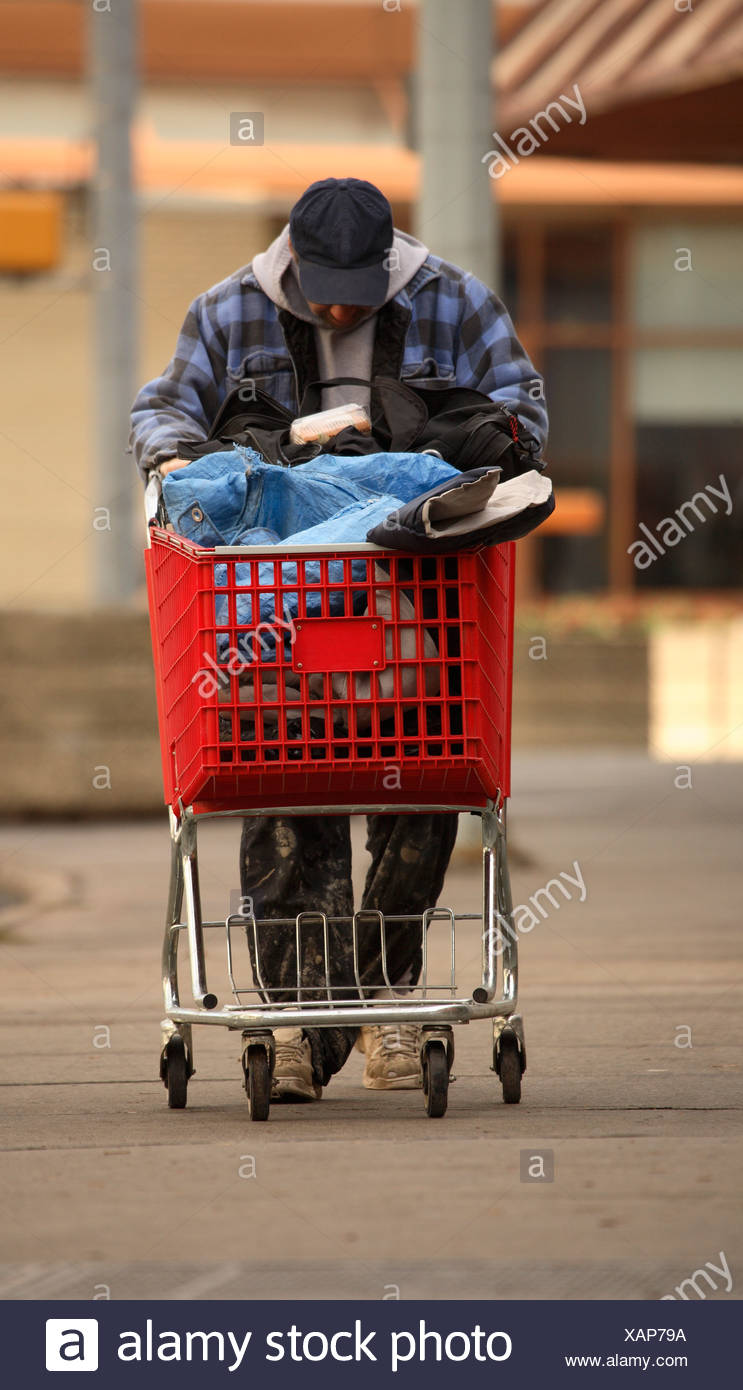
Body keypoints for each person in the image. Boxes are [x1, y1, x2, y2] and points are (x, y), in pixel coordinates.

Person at [130, 176, 547, 1102]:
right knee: (283, 786)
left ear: (388, 269)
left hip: (417, 600)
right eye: (321, 287)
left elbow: (526, 419)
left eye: (355, 290)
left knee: (427, 786)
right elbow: (159, 415)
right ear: (293, 262)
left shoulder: (454, 301)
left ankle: (383, 1000)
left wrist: (404, 435)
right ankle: (295, 1029)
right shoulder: (228, 311)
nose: (336, 305)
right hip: (279, 603)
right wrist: (203, 464)